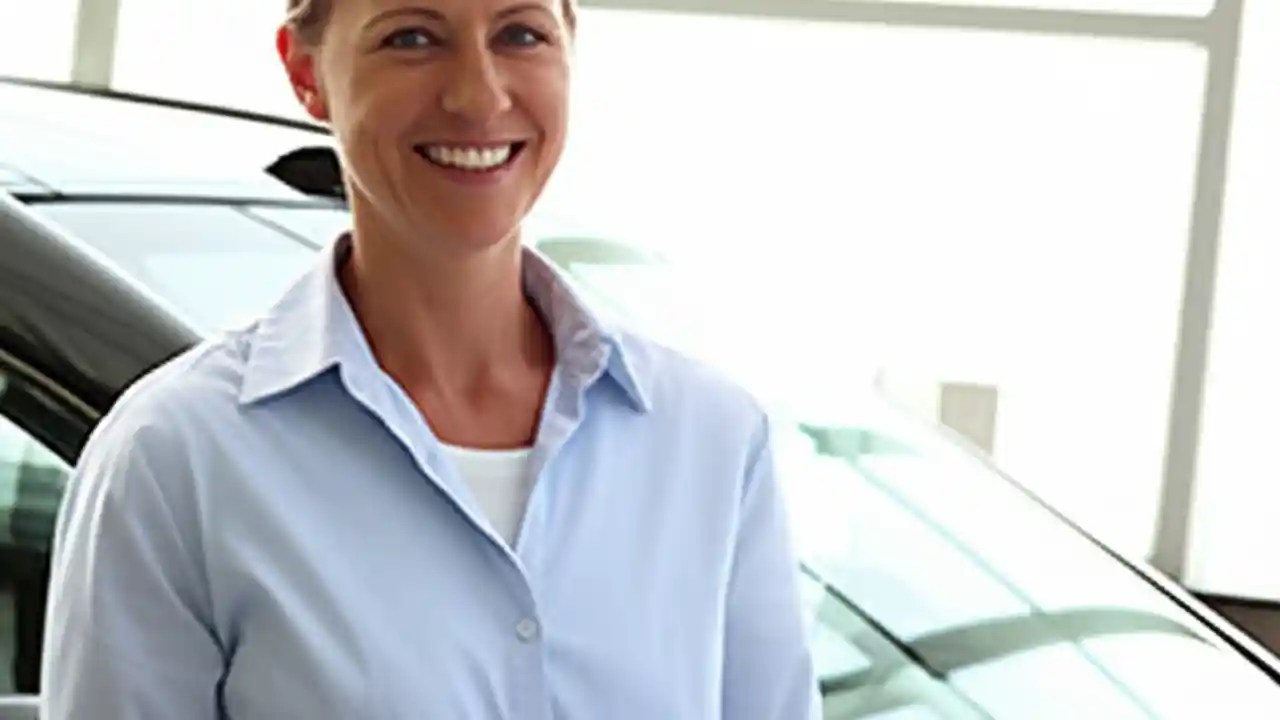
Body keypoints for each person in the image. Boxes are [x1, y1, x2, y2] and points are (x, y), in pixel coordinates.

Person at [40, 0, 819, 717]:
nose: (479, 96)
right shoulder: (177, 457)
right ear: (306, 72)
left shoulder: (709, 440)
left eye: (521, 33)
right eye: (412, 37)